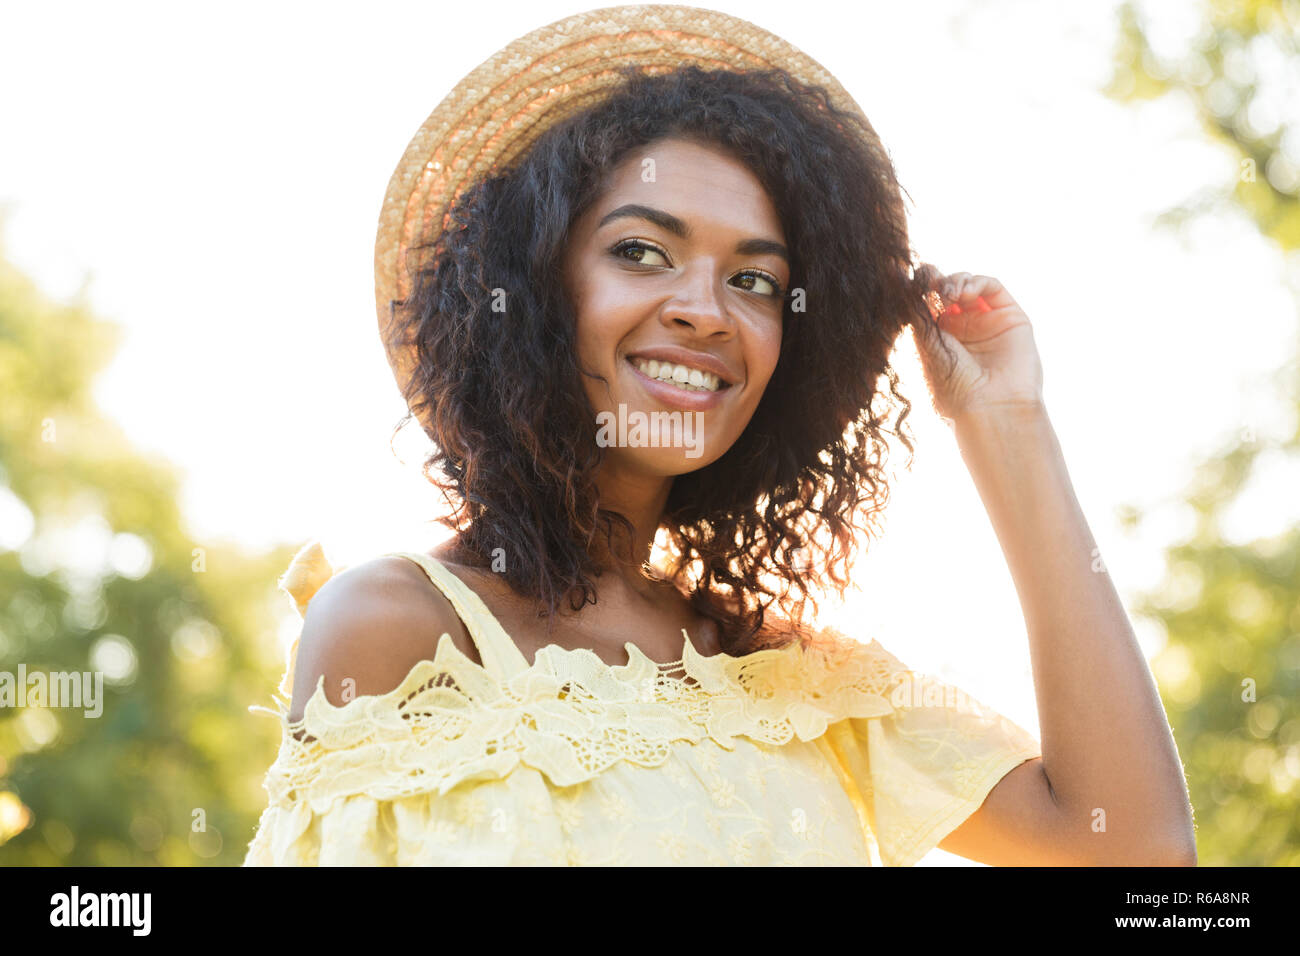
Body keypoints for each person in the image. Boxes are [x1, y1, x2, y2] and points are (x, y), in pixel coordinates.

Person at [242, 5, 1196, 866]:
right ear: (533, 292)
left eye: (755, 281)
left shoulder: (790, 675)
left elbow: (1134, 854)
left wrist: (1005, 419)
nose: (705, 311)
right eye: (641, 252)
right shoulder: (400, 626)